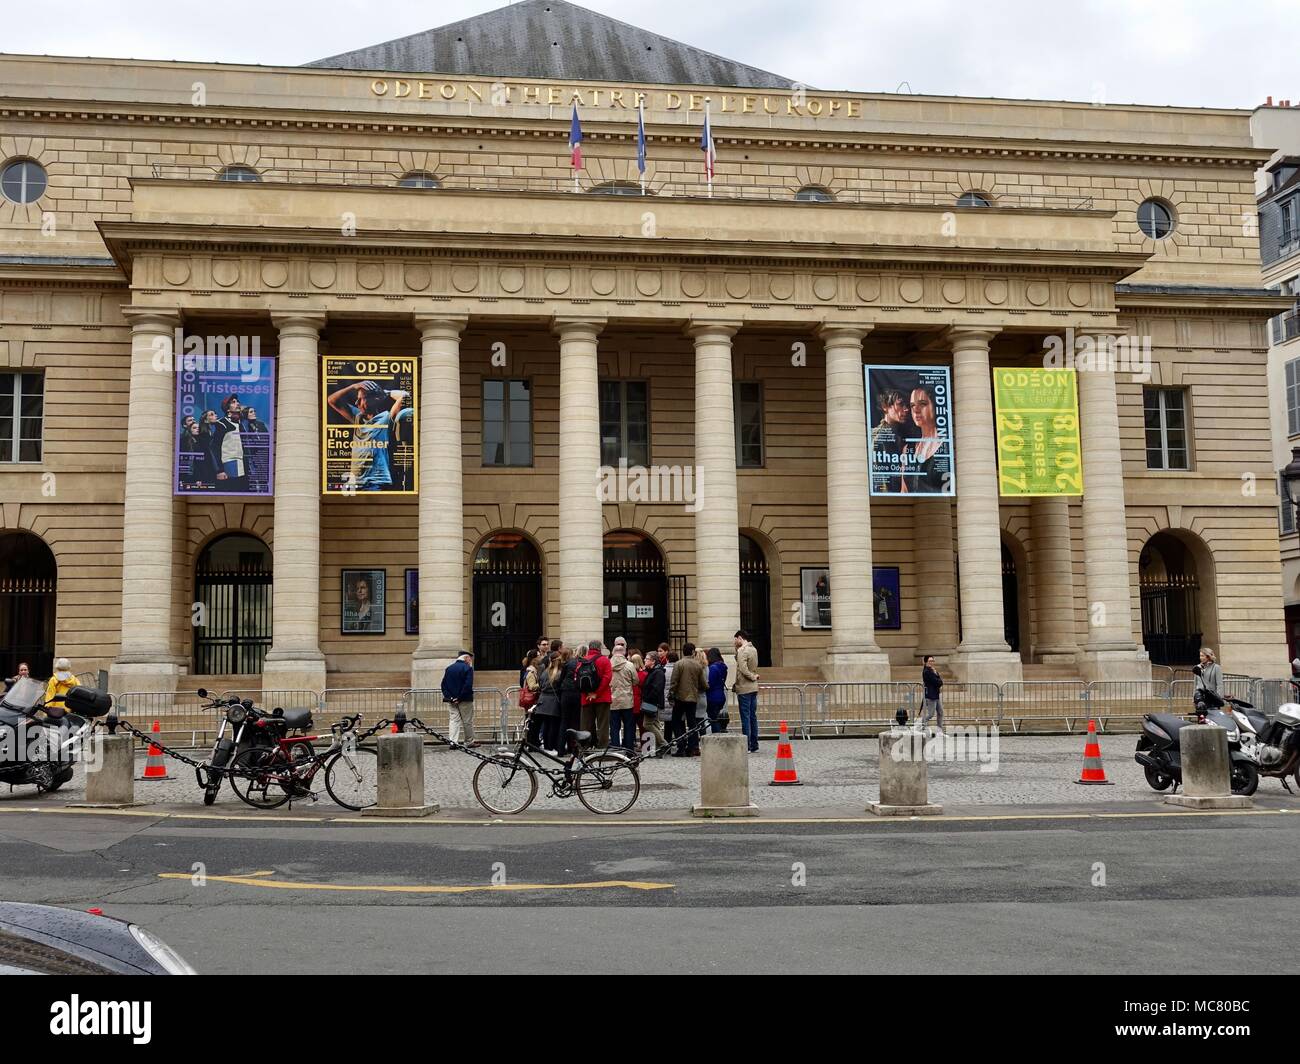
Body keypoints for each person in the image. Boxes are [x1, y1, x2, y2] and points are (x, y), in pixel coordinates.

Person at [326, 378, 409, 492]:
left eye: (361, 399)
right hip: (355, 483)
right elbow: (331, 400)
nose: (357, 403)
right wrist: (353, 386)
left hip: (376, 482)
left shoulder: (386, 418)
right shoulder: (357, 417)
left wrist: (384, 392)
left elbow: (404, 396)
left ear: (374, 399)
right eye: (357, 399)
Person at [901, 385, 948, 495]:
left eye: (922, 404)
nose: (916, 410)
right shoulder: (908, 449)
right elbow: (904, 491)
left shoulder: (947, 445)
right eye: (912, 405)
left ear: (936, 406)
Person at [870, 388, 911, 493]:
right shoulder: (876, 436)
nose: (906, 409)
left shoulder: (905, 435)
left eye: (907, 405)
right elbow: (878, 475)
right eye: (900, 404)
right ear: (885, 406)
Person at [668, 642, 705, 757]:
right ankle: (693, 747)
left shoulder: (679, 664)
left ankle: (681, 746)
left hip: (680, 697)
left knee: (677, 722)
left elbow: (674, 681)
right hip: (692, 698)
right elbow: (702, 683)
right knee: (692, 723)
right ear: (693, 652)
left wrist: (671, 693)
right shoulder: (697, 665)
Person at [579, 639, 613, 749]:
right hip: (602, 697)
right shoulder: (605, 660)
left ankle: (586, 746)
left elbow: (577, 679)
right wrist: (597, 693)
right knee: (603, 724)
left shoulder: (582, 661)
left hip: (586, 697)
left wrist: (588, 693)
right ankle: (602, 746)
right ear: (599, 648)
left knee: (586, 724)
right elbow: (607, 678)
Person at [608, 636, 638, 755]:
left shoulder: (608, 664)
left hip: (612, 700)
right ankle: (629, 749)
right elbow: (635, 681)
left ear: (613, 652)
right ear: (624, 652)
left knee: (614, 726)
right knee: (628, 726)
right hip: (627, 700)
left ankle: (616, 748)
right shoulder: (629, 665)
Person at [211, 394, 248, 492]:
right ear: (227, 409)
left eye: (237, 401)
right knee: (232, 491)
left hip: (242, 464)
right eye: (233, 402)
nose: (238, 404)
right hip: (229, 464)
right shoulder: (221, 423)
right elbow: (214, 448)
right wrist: (219, 470)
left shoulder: (242, 425)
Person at [732, 630, 760, 752]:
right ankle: (754, 744)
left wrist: (753, 676)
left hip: (744, 687)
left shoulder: (743, 651)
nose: (734, 642)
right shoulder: (753, 649)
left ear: (740, 638)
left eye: (735, 639)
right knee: (753, 716)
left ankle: (747, 745)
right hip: (753, 687)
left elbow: (743, 669)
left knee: (746, 717)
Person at [441, 650, 476, 746]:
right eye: (470, 659)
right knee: (467, 721)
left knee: (453, 720)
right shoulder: (468, 668)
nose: (470, 661)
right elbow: (467, 685)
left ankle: (453, 742)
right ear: (466, 658)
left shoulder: (449, 668)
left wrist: (450, 697)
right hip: (465, 699)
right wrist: (459, 698)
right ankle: (469, 741)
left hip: (452, 700)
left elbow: (443, 685)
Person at [533, 649, 564, 755]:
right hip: (553, 701)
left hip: (543, 700)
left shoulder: (545, 672)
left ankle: (546, 745)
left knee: (546, 725)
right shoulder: (559, 673)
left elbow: (540, 685)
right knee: (553, 725)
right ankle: (551, 746)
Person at [639, 650, 667, 755]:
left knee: (647, 724)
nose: (644, 660)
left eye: (647, 659)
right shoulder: (653, 671)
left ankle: (664, 744)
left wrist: (647, 698)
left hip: (652, 703)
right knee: (655, 724)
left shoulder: (658, 673)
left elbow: (656, 689)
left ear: (653, 661)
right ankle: (660, 747)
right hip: (650, 702)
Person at [557, 645, 582, 754]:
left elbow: (560, 680)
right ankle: (574, 748)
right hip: (576, 693)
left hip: (565, 693)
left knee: (564, 721)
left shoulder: (566, 664)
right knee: (575, 722)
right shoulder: (578, 663)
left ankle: (560, 749)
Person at [520, 649, 542, 747]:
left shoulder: (532, 670)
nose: (540, 657)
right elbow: (532, 686)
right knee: (532, 721)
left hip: (532, 700)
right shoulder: (531, 672)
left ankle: (531, 742)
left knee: (532, 721)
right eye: (538, 655)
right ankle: (531, 742)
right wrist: (541, 684)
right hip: (531, 700)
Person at [705, 647, 729, 733]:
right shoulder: (723, 666)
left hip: (712, 697)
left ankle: (717, 738)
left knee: (713, 720)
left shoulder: (712, 668)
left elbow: (710, 684)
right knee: (716, 718)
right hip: (721, 695)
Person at [919, 655, 944, 733]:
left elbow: (938, 681)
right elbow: (938, 682)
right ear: (926, 662)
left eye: (932, 661)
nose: (931, 663)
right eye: (930, 661)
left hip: (935, 695)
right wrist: (936, 675)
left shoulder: (932, 670)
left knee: (940, 712)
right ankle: (921, 723)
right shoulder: (927, 671)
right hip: (930, 695)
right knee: (931, 714)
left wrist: (936, 673)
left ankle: (939, 731)